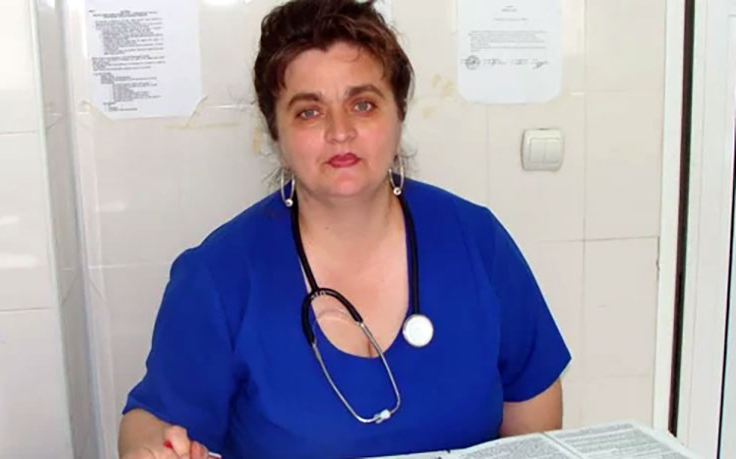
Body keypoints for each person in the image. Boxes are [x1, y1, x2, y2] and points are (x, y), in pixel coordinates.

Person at [118, 1, 571, 458]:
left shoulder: (477, 243)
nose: (340, 131)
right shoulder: (218, 277)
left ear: (399, 115)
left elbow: (533, 423)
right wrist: (152, 448)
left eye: (363, 104)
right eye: (309, 111)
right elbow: (150, 422)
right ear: (277, 134)